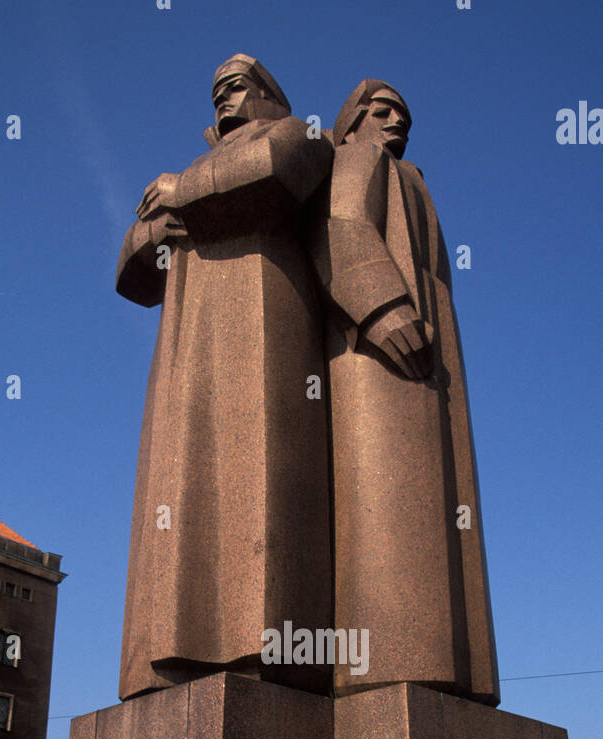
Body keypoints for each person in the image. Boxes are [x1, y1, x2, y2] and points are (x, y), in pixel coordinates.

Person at [116, 54, 334, 699]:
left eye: (234, 87)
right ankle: (174, 655)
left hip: (267, 314)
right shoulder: (198, 169)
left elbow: (273, 174)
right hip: (187, 339)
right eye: (215, 93)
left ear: (267, 91)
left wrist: (180, 195)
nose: (222, 102)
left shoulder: (299, 132)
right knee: (179, 484)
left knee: (258, 465)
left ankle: (262, 646)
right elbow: (132, 264)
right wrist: (189, 203)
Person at [308, 80, 500, 701]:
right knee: (386, 499)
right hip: (375, 358)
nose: (397, 122)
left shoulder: (410, 176)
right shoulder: (356, 158)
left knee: (442, 513)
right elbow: (338, 225)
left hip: (430, 359)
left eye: (404, 114)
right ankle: (392, 665)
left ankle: (448, 672)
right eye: (382, 110)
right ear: (352, 121)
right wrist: (383, 307)